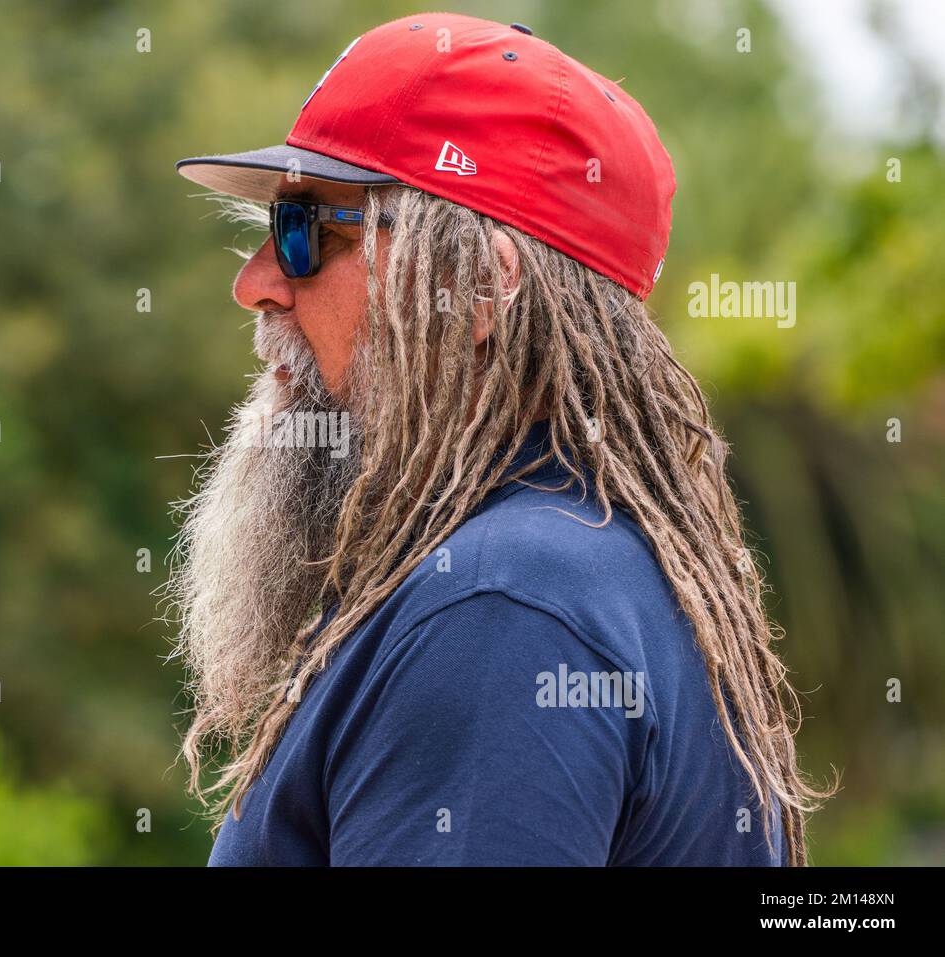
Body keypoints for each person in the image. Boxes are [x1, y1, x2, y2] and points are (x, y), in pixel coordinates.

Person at [167, 12, 830, 865]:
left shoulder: (501, 607)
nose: (254, 282)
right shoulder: (555, 571)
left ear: (478, 288)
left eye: (304, 234)